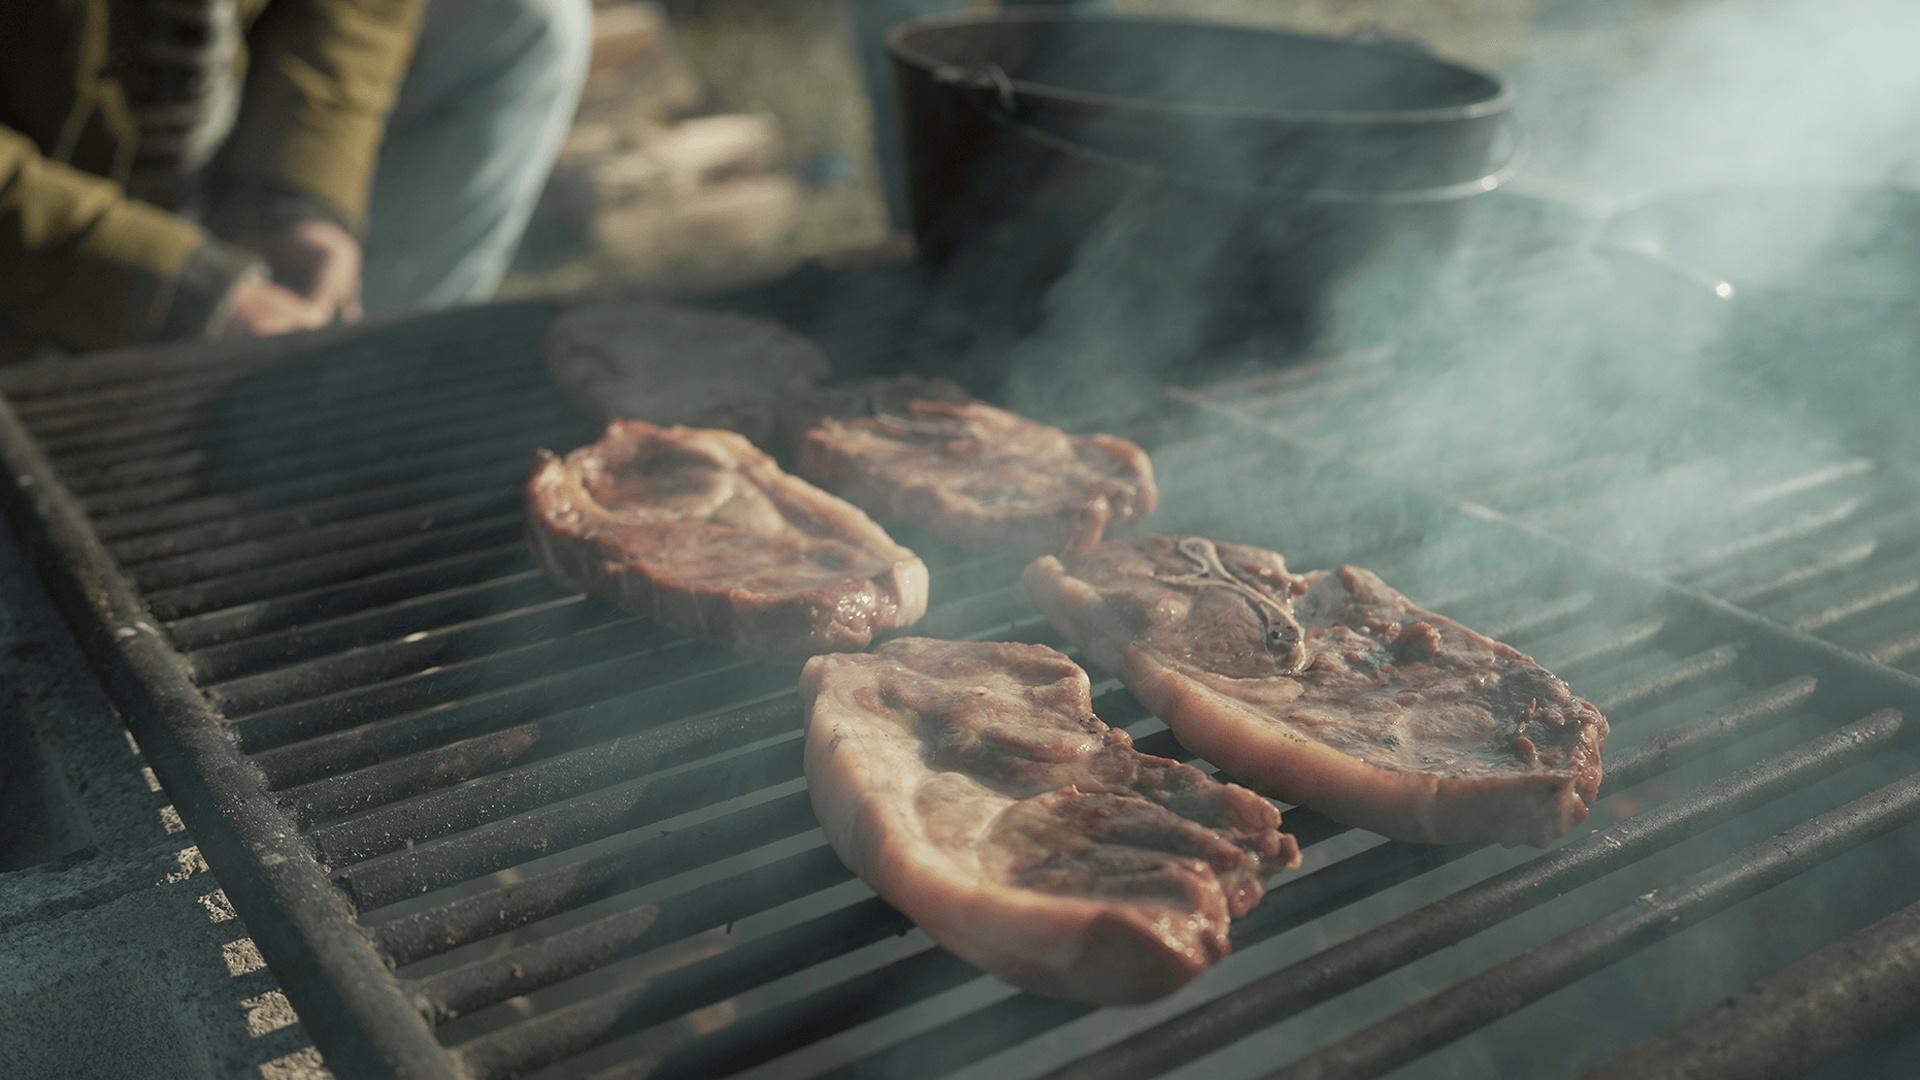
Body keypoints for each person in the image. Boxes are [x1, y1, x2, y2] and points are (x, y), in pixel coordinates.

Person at [0, 0, 592, 357]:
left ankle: (362, 374)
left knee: (521, 17)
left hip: (220, 131)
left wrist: (298, 196)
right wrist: (158, 282)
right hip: (32, 199)